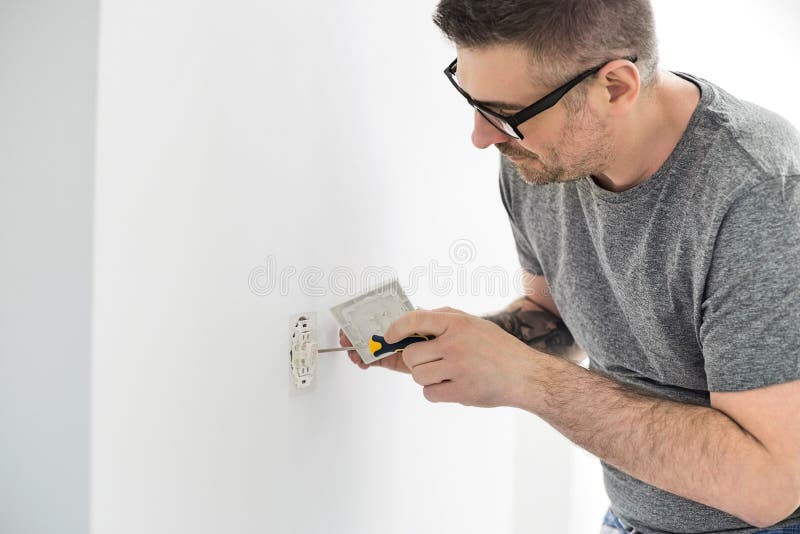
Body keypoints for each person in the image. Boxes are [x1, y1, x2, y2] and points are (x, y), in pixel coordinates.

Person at [340, 1, 800, 532]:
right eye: (473, 102)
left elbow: (770, 486)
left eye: (506, 113)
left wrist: (525, 378)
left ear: (615, 88)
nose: (482, 137)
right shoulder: (536, 158)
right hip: (628, 518)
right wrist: (457, 347)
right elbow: (555, 317)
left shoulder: (759, 195)